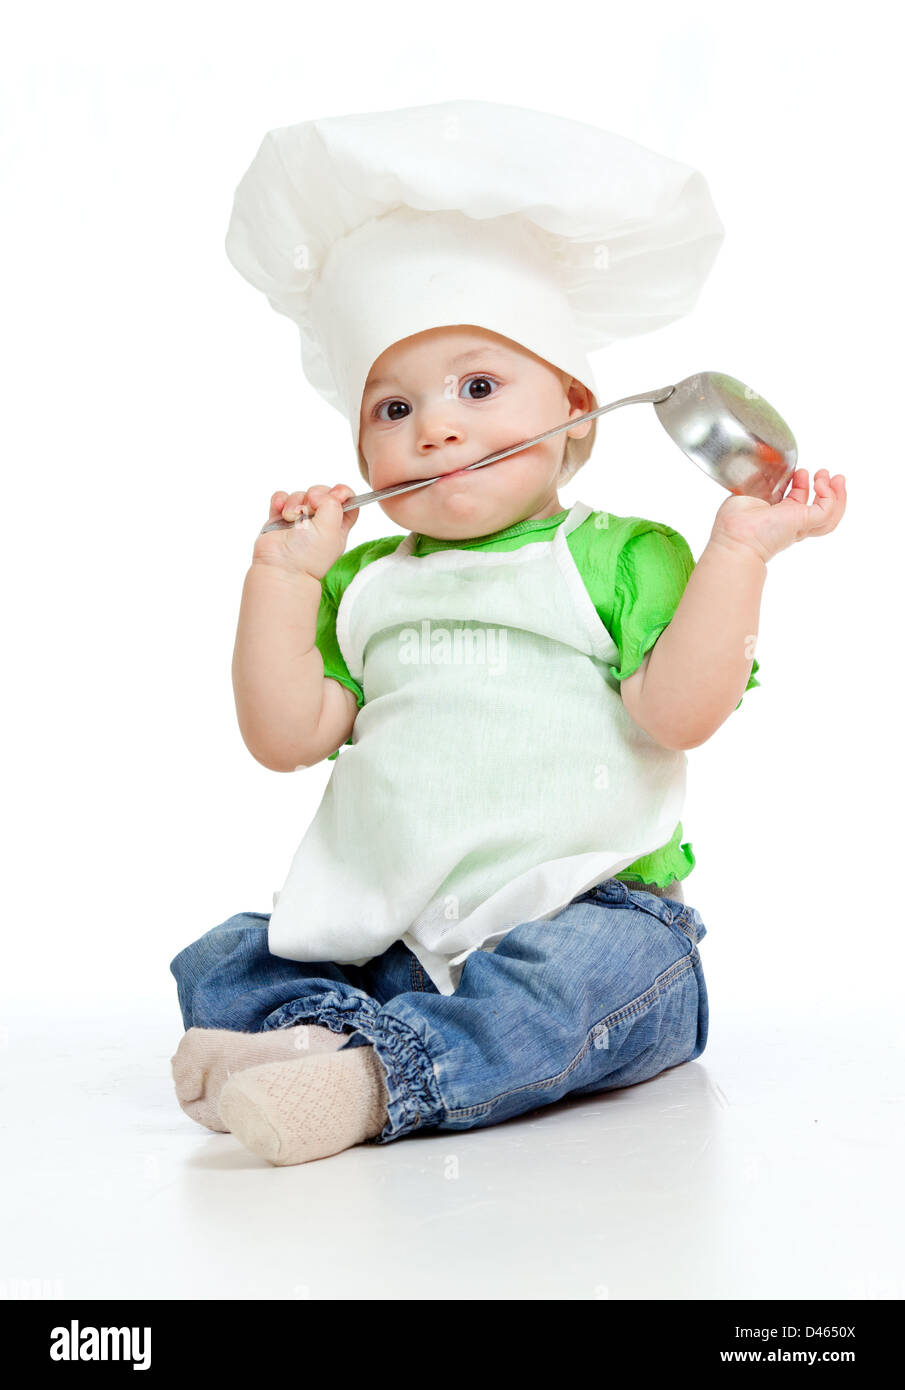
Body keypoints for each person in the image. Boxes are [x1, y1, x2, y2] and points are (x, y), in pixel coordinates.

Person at [169, 101, 846, 1165]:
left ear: (574, 414)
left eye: (477, 387)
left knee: (586, 979)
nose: (432, 425)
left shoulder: (617, 557)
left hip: (586, 923)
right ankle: (336, 1036)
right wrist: (280, 579)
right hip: (398, 939)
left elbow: (679, 712)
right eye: (390, 408)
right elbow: (285, 734)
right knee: (224, 955)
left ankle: (364, 1078)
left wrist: (738, 552)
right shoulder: (361, 581)